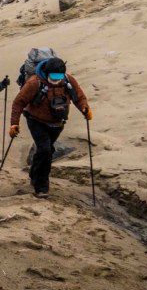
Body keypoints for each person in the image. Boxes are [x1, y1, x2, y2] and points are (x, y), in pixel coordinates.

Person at [9, 56, 90, 198]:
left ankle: (34, 174)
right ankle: (41, 187)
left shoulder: (69, 81)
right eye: (53, 77)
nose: (56, 80)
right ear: (46, 73)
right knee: (45, 150)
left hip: (58, 123)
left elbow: (79, 97)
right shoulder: (34, 83)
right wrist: (14, 123)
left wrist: (85, 109)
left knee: (46, 150)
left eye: (59, 77)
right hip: (36, 121)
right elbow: (19, 102)